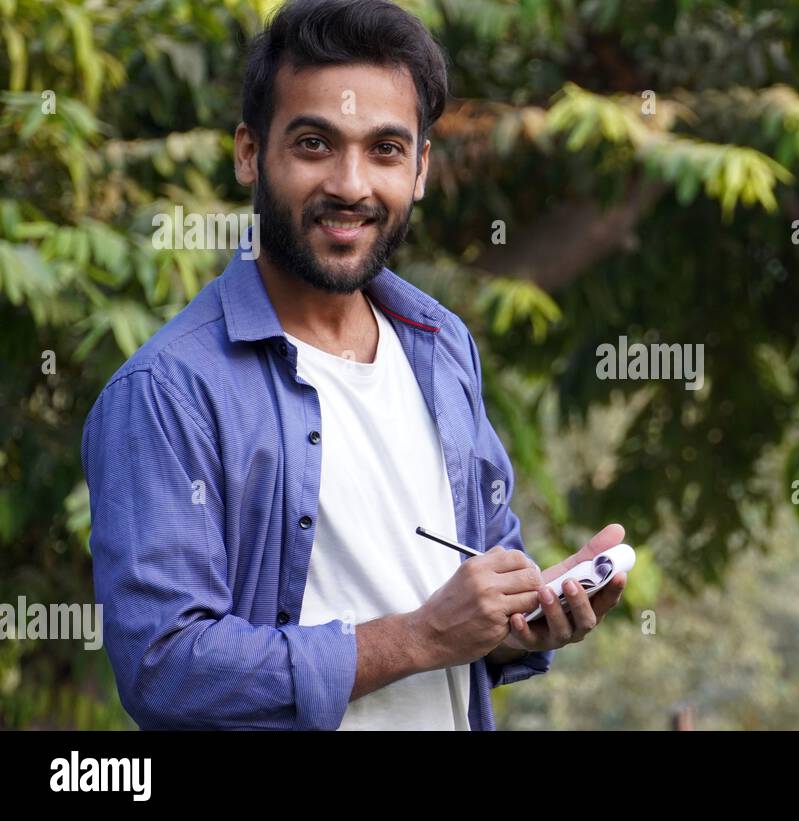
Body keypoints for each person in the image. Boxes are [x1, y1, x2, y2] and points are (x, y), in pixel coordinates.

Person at [81, 0, 625, 730]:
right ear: (249, 152)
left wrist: (523, 613)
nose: (351, 184)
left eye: (386, 150)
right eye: (313, 144)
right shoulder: (168, 392)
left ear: (421, 167)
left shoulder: (440, 345)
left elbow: (479, 572)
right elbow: (165, 667)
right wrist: (420, 635)